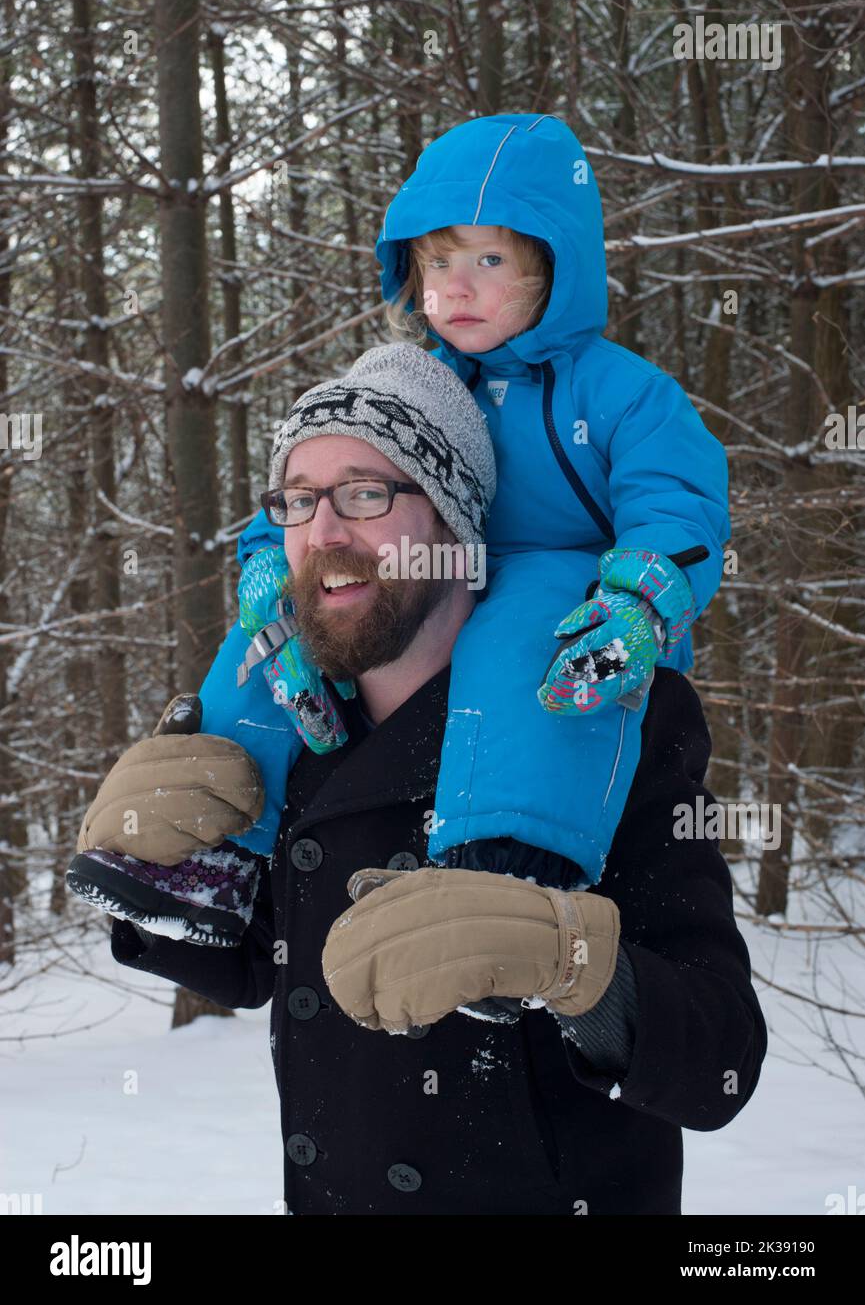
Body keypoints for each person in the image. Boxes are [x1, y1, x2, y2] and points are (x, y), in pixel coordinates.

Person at [94, 369, 766, 1214]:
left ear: (453, 523)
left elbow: (720, 1060)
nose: (324, 530)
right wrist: (150, 861)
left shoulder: (605, 712)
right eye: (296, 501)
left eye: (366, 493)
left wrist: (575, 966)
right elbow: (238, 967)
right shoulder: (291, 727)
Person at [68, 112, 729, 946]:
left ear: (555, 267)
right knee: (273, 637)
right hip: (428, 570)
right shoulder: (416, 380)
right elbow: (324, 475)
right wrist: (273, 558)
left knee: (513, 638)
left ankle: (505, 863)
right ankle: (207, 850)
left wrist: (638, 598)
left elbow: (676, 501)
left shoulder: (620, 393)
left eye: (488, 260)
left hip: (566, 590)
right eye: (436, 262)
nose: (454, 288)